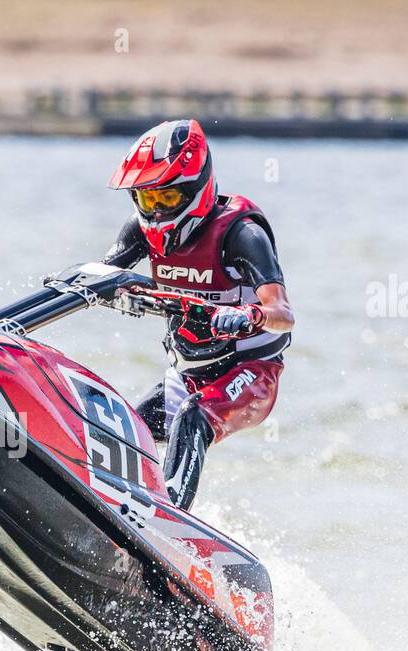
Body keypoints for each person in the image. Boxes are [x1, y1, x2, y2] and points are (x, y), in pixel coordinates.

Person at [101, 119, 295, 510]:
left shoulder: (240, 233)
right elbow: (103, 276)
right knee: (124, 429)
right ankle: (103, 501)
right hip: (187, 374)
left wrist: (248, 316)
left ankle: (167, 515)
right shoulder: (140, 229)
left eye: (167, 199)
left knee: (192, 419)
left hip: (250, 373)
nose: (155, 213)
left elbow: (283, 314)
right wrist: (104, 289)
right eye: (147, 200)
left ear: (197, 188)